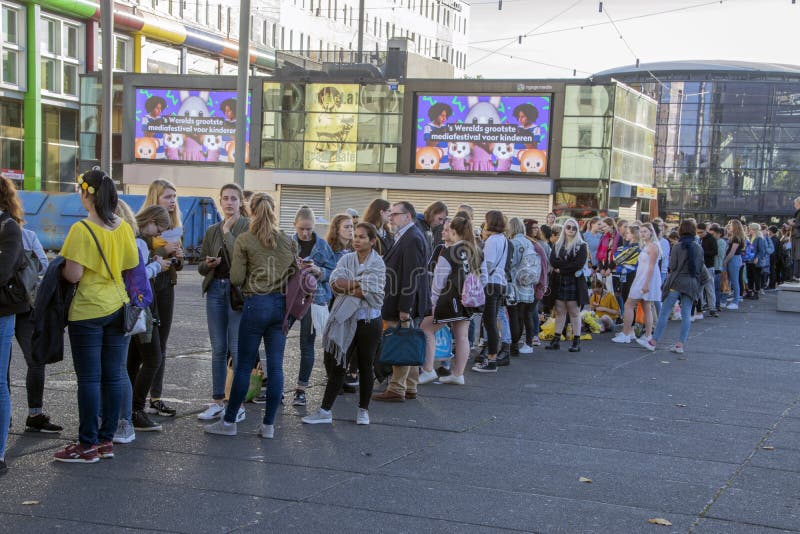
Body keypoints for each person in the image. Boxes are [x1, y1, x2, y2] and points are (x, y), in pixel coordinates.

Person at [54, 169, 139, 463]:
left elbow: (74, 275)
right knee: (113, 376)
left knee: (89, 379)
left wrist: (63, 270)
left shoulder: (81, 229)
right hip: (118, 306)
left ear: (86, 193)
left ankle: (86, 444)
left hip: (88, 310)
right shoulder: (123, 227)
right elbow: (130, 264)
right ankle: (106, 441)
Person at [204, 193, 296, 439]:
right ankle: (268, 426)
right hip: (280, 307)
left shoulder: (245, 239)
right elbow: (294, 272)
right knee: (276, 367)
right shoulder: (287, 240)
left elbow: (235, 278)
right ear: (274, 210)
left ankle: (230, 421)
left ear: (251, 212)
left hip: (255, 305)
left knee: (243, 366)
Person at [302, 222, 386, 425]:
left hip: (369, 321)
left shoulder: (378, 263)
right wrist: (359, 284)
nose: (357, 240)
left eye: (362, 237)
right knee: (339, 364)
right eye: (355, 236)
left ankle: (363, 410)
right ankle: (324, 411)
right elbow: (334, 283)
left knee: (366, 366)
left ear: (372, 241)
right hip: (345, 319)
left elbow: (375, 294)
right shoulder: (346, 258)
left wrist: (350, 285)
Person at [118, 203, 172, 439]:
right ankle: (136, 409)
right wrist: (157, 266)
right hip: (140, 306)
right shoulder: (138, 240)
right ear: (149, 220)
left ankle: (126, 409)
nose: (158, 234)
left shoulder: (133, 237)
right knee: (153, 358)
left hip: (129, 305)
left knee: (133, 359)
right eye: (158, 228)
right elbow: (137, 276)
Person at [196, 184, 250, 422]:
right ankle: (217, 400)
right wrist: (208, 264)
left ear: (241, 203)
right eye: (225, 199)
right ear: (220, 201)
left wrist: (228, 233)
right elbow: (199, 266)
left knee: (236, 349)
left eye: (234, 199)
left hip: (237, 291)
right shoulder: (211, 230)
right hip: (215, 289)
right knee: (218, 348)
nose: (229, 203)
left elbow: (244, 257)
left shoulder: (247, 227)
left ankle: (236, 404)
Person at [373, 201, 430, 401]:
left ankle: (397, 388)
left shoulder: (412, 237)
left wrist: (405, 308)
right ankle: (410, 386)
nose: (391, 217)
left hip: (402, 301)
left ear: (408, 216)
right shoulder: (407, 235)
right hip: (403, 300)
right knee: (407, 340)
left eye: (395, 214)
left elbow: (411, 275)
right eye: (391, 214)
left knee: (401, 342)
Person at [418, 214, 482, 385]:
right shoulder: (473, 250)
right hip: (467, 300)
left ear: (454, 231)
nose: (444, 232)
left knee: (426, 329)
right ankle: (458, 374)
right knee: (462, 336)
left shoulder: (449, 251)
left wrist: (432, 303)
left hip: (448, 300)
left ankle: (428, 370)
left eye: (447, 230)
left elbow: (439, 282)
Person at [139, 179, 183, 417]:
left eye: (174, 197)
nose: (172, 201)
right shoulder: (142, 228)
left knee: (162, 343)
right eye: (167, 197)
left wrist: (178, 256)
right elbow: (138, 259)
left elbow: (178, 265)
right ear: (155, 199)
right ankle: (137, 397)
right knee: (144, 343)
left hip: (166, 284)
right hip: (147, 284)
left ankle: (156, 396)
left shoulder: (175, 227)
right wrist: (161, 251)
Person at [15, 223, 62, 433]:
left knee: (36, 359)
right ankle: (27, 414)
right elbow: (41, 265)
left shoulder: (27, 235)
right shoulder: (28, 236)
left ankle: (34, 413)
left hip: (23, 306)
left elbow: (44, 266)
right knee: (31, 360)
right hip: (19, 305)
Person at [291, 206, 335, 407]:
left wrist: (318, 270)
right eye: (301, 229)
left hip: (313, 299)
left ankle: (301, 389)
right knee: (276, 341)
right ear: (295, 226)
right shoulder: (288, 243)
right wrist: (294, 268)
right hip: (289, 298)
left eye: (309, 229)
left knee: (306, 345)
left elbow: (333, 272)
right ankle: (273, 387)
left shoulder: (322, 245)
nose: (305, 233)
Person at [642, 219, 706, 354]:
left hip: (676, 282)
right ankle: (680, 344)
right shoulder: (698, 247)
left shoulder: (677, 246)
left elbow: (673, 266)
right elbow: (700, 267)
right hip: (691, 283)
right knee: (686, 314)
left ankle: (654, 341)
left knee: (665, 312)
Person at [0, 177, 28, 472]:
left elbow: (3, 271)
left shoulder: (8, 227)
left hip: (2, 312)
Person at [472, 210, 509, 372]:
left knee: (489, 323)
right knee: (492, 322)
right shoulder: (504, 239)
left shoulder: (493, 240)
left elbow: (487, 264)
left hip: (491, 284)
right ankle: (492, 358)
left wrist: (480, 281)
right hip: (500, 282)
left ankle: (491, 359)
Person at [545, 218, 589, 352]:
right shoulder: (558, 244)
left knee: (574, 311)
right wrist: (565, 267)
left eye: (574, 228)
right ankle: (556, 340)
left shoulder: (581, 245)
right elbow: (553, 261)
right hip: (559, 281)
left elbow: (578, 264)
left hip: (573, 282)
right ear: (564, 228)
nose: (571, 230)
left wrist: (562, 269)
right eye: (568, 227)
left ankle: (576, 341)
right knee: (560, 311)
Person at [613, 223, 660, 344]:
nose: (643, 234)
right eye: (641, 231)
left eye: (645, 231)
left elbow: (651, 268)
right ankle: (647, 335)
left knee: (630, 304)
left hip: (644, 279)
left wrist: (646, 284)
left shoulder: (653, 247)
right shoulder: (646, 245)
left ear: (651, 232)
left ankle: (626, 333)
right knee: (645, 307)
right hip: (641, 277)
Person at [506, 217, 539, 356]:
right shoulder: (529, 243)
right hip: (527, 284)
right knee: (524, 314)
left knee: (514, 315)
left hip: (514, 283)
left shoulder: (512, 243)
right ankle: (523, 343)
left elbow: (510, 263)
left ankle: (514, 345)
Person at [723, 219, 747, 310]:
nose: (729, 226)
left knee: (734, 281)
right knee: (729, 280)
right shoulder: (735, 236)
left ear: (735, 227)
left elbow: (732, 252)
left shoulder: (736, 238)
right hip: (734, 259)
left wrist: (725, 261)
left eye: (730, 225)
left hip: (734, 259)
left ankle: (735, 301)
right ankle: (725, 300)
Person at [744, 223, 768, 300]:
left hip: (756, 261)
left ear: (754, 229)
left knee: (756, 277)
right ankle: (750, 292)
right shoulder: (750, 237)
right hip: (749, 260)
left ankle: (756, 293)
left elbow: (762, 251)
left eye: (750, 229)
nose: (748, 230)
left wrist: (757, 257)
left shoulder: (759, 238)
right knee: (750, 277)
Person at [790, 197, 800, 281]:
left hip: (798, 237)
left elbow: (798, 224)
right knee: (796, 256)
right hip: (796, 236)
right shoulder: (797, 213)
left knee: (797, 255)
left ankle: (796, 275)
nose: (794, 205)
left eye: (795, 203)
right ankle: (795, 275)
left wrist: (792, 224)